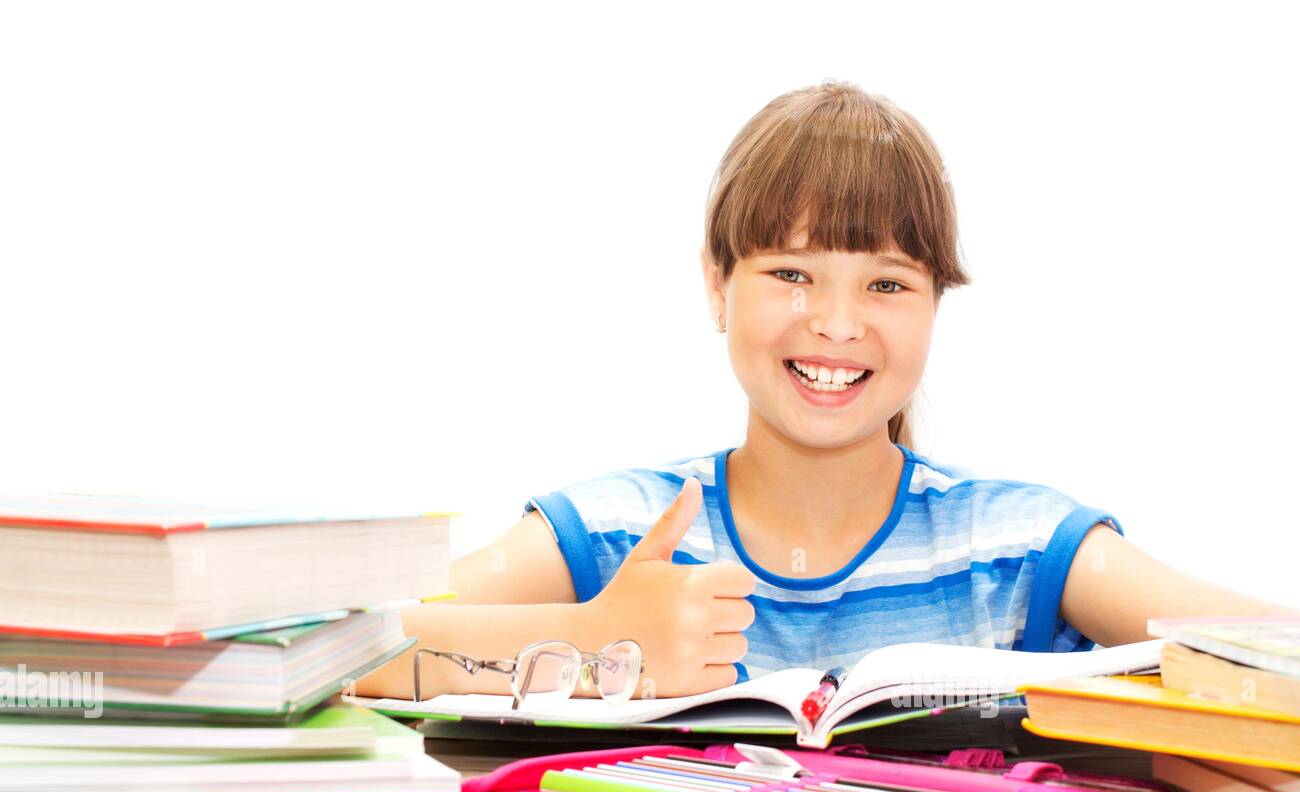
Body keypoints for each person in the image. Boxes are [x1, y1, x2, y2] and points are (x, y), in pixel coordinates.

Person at [355, 80, 1292, 703]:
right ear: (718, 285)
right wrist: (597, 643)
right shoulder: (614, 532)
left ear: (934, 307)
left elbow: (1273, 656)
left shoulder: (1011, 545)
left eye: (887, 284)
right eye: (792, 274)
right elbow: (330, 650)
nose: (838, 325)